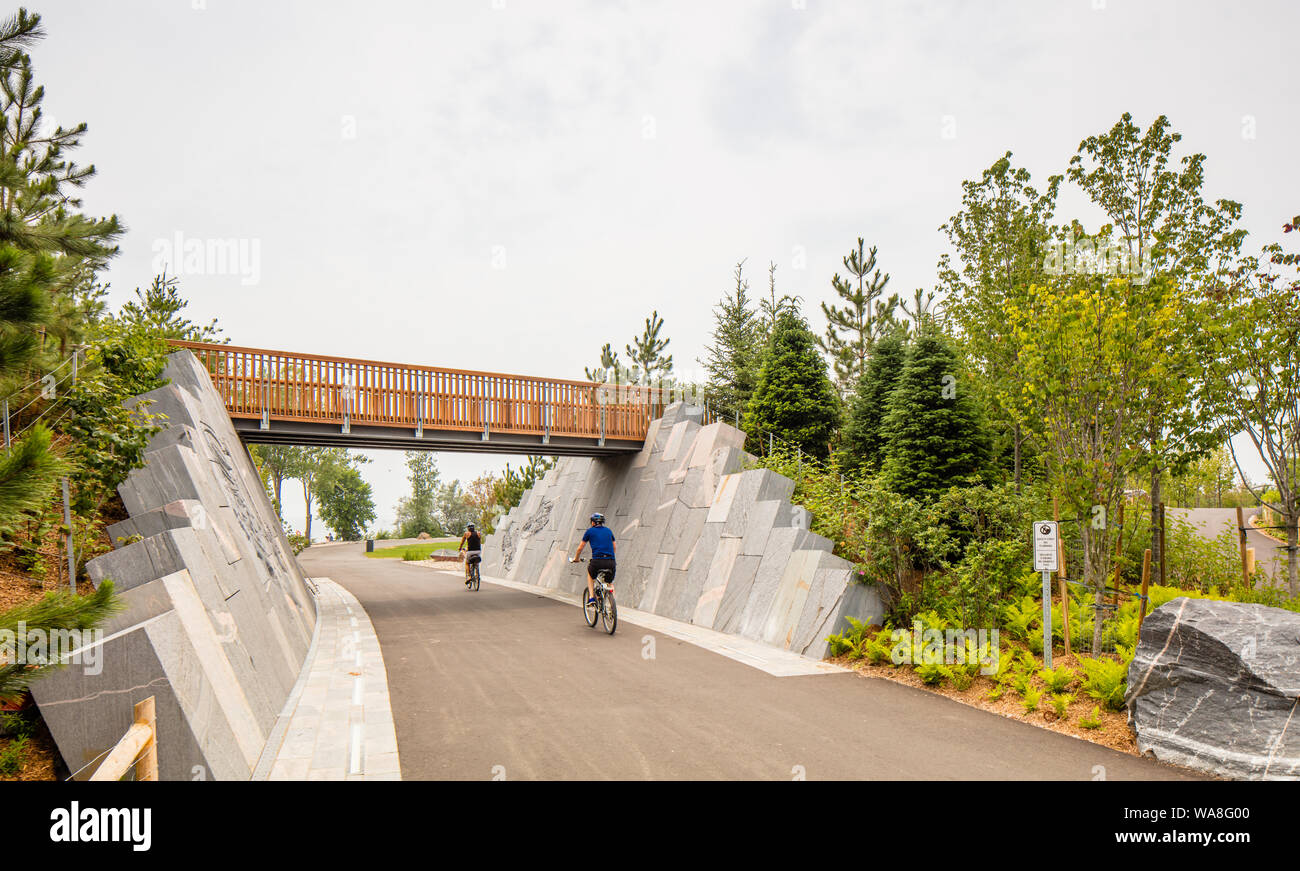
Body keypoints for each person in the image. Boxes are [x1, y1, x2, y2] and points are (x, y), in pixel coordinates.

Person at [571, 512, 615, 606]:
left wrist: (576, 558)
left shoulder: (590, 531)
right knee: (609, 583)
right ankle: (612, 606)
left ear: (593, 522)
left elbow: (580, 548)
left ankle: (591, 598)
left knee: (590, 575)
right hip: (611, 561)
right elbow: (614, 547)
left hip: (597, 561)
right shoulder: (608, 531)